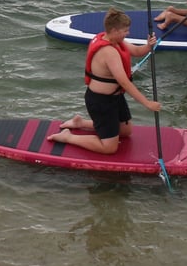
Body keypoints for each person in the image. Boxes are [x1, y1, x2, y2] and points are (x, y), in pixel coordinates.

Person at [48, 8, 161, 155]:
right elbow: (125, 82)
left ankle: (80, 123)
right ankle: (68, 137)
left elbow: (137, 52)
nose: (128, 33)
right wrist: (147, 103)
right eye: (125, 31)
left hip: (115, 97)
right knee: (109, 148)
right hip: (101, 102)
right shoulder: (108, 52)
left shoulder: (114, 40)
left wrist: (148, 46)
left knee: (126, 131)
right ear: (114, 30)